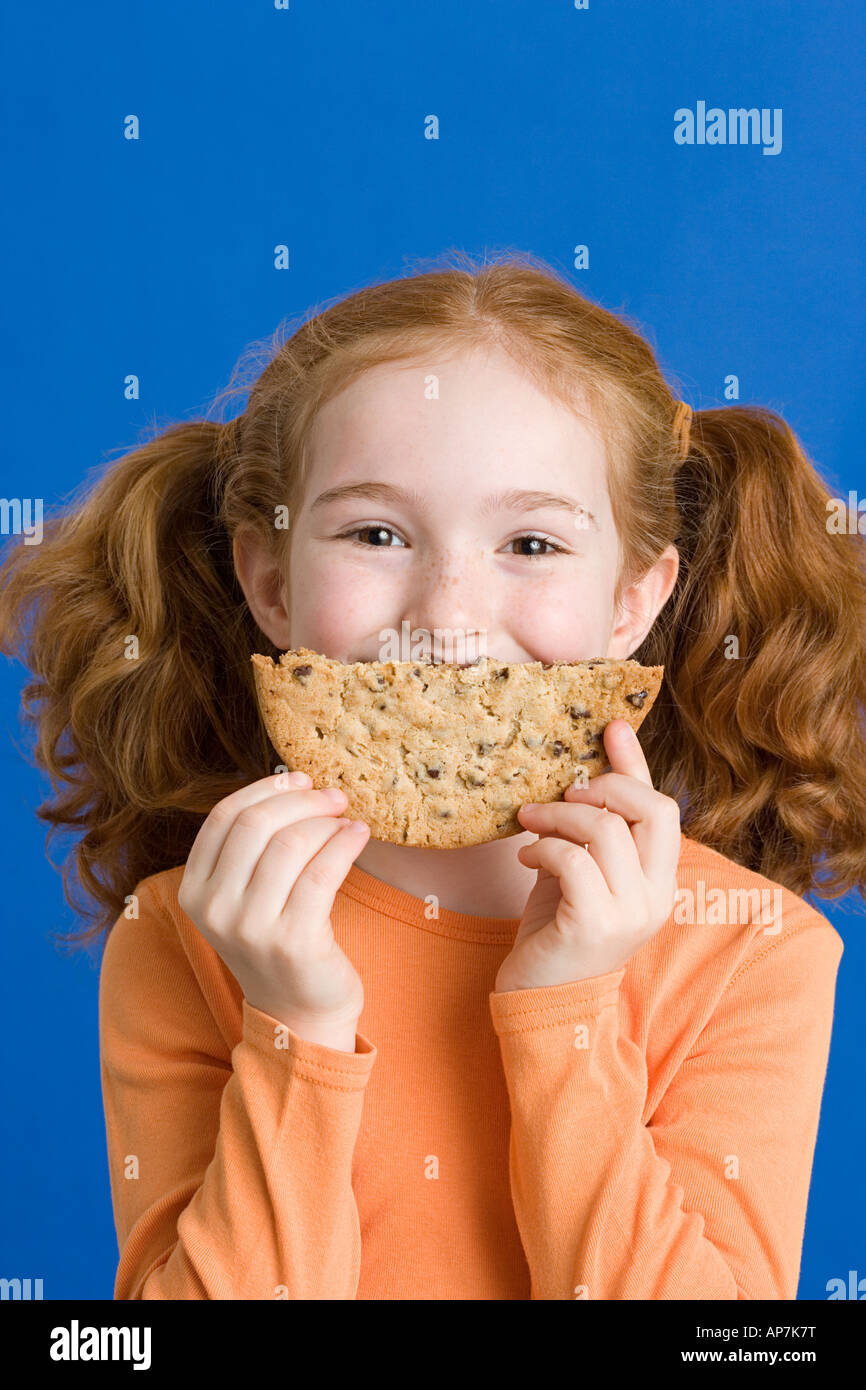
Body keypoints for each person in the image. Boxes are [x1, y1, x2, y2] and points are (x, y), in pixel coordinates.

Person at [1, 250, 860, 1300]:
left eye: (532, 543)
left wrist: (569, 1012)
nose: (445, 616)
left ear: (633, 598)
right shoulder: (188, 935)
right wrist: (292, 1028)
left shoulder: (750, 950)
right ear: (269, 583)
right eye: (375, 533)